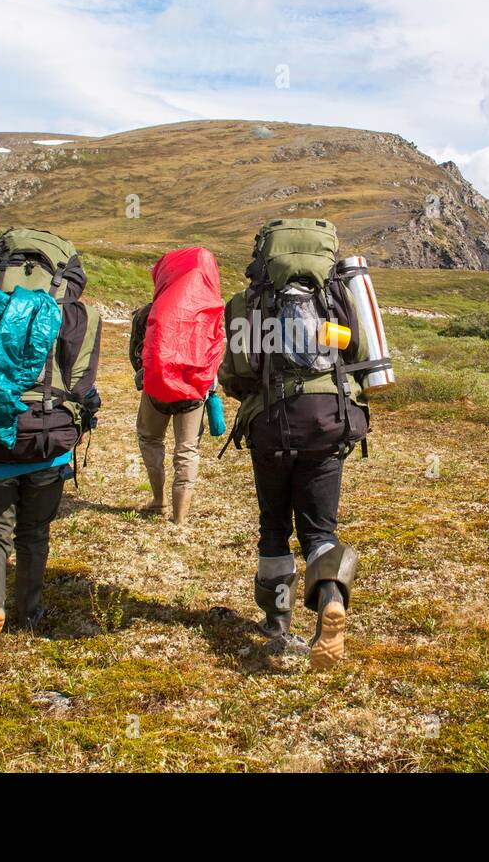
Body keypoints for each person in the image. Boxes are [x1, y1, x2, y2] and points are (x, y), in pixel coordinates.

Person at [218, 218, 377, 670]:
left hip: (271, 424)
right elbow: (362, 355)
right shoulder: (341, 295)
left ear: (265, 256)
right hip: (329, 422)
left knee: (274, 526)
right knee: (319, 531)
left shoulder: (244, 304)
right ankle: (330, 597)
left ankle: (277, 622)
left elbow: (236, 372)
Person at [0, 229, 101, 665]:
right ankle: (29, 612)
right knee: (34, 532)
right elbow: (83, 384)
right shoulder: (77, 315)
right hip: (47, 437)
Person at [129, 247, 226, 524]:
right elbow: (214, 354)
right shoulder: (211, 311)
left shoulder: (146, 313)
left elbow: (136, 355)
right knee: (186, 450)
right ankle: (180, 518)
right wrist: (210, 389)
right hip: (194, 392)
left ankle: (159, 501)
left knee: (150, 438)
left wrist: (146, 378)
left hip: (156, 389)